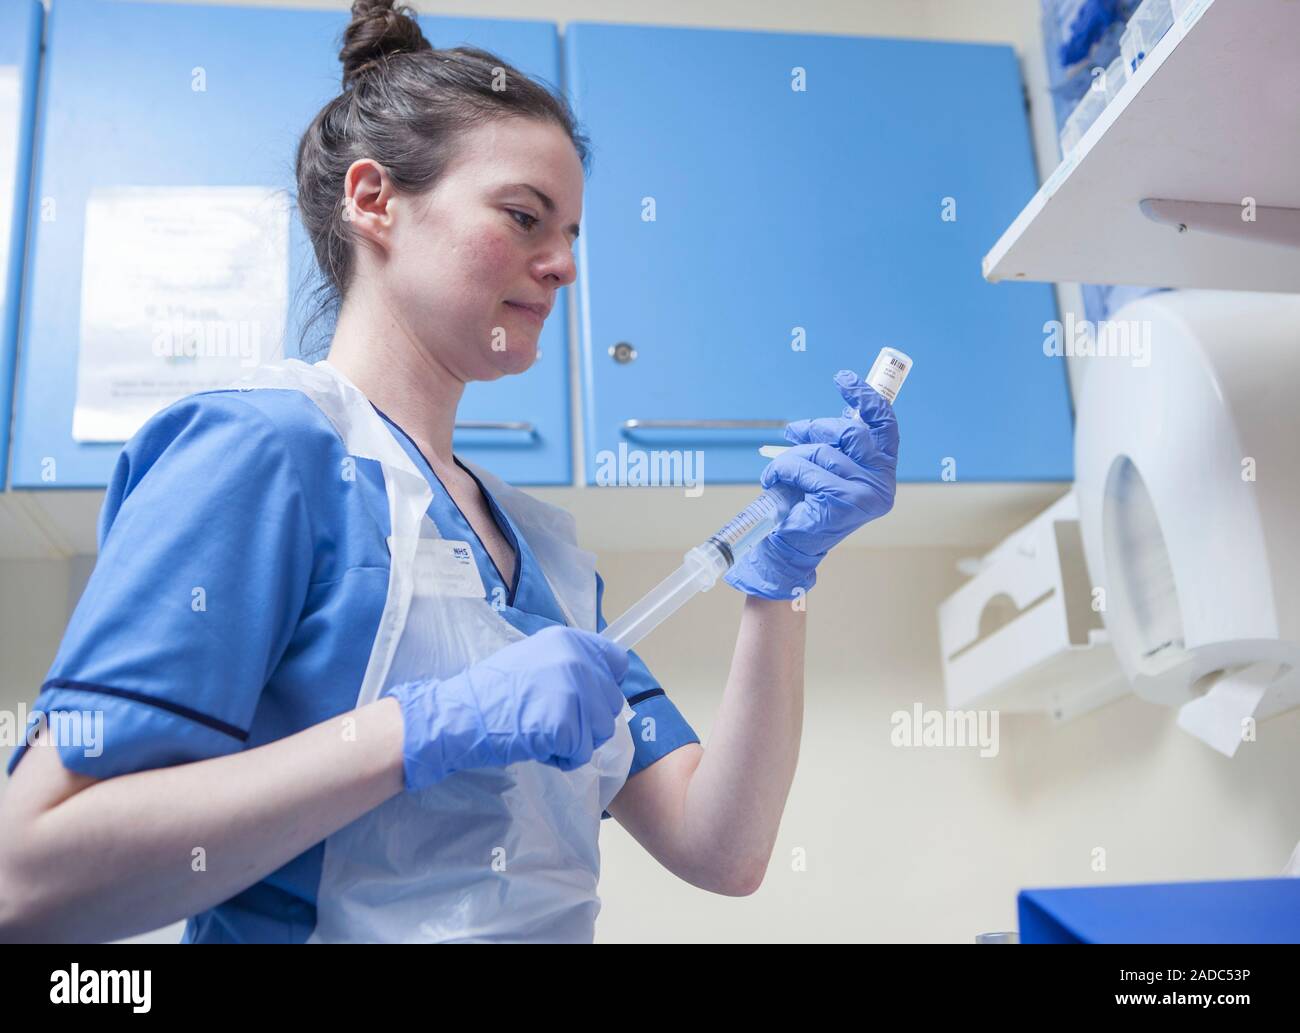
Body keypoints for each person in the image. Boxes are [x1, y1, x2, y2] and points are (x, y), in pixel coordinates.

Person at [0, 0, 898, 943]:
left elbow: (724, 846)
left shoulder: (539, 551)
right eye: (524, 217)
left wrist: (783, 585)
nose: (562, 267)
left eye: (573, 236)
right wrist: (426, 727)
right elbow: (27, 874)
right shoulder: (263, 456)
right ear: (374, 200)